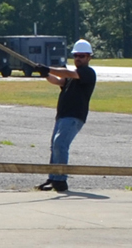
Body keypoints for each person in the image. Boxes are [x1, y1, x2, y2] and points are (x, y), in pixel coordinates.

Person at [38, 39, 97, 194]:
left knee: (60, 144)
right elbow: (58, 80)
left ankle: (60, 180)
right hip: (63, 115)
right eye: (76, 56)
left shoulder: (87, 72)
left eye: (82, 56)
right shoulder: (72, 76)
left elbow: (66, 73)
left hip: (74, 116)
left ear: (89, 57)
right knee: (55, 145)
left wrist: (48, 68)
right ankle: (53, 177)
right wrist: (45, 73)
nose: (78, 58)